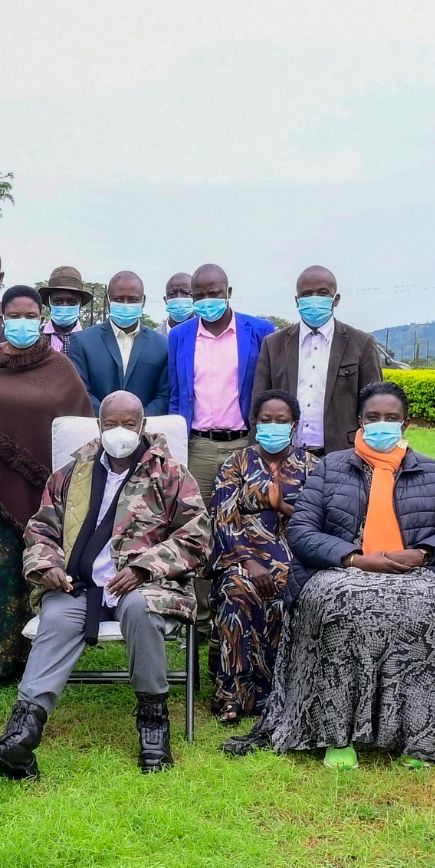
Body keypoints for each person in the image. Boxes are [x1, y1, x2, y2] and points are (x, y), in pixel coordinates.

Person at [225, 382, 435, 767]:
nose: (382, 425)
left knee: (432, 607)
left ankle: (426, 736)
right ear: (359, 421)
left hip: (417, 572)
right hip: (341, 570)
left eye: (391, 418)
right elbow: (302, 531)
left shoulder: (431, 472)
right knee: (345, 608)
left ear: (405, 422)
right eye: (374, 417)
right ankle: (335, 734)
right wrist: (355, 559)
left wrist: (423, 552)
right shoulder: (330, 467)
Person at [0, 391, 209, 780]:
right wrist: (46, 566)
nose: (120, 432)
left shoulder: (170, 474)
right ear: (99, 425)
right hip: (81, 586)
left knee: (137, 609)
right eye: (111, 424)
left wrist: (145, 569)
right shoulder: (70, 473)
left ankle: (153, 724)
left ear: (143, 426)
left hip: (148, 587)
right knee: (58, 615)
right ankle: (21, 739)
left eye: (129, 424)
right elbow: (40, 529)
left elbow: (197, 537)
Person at [0, 285, 94, 677]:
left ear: (41, 320)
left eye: (30, 316)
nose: (22, 322)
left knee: (31, 570)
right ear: (2, 318)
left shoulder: (60, 369)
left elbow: (79, 432)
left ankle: (33, 659)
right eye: (15, 315)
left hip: (40, 496)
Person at [167, 263, 274, 621]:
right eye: (200, 294)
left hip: (244, 444)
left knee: (244, 522)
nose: (207, 300)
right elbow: (175, 392)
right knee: (196, 523)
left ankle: (243, 602)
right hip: (197, 444)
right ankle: (199, 612)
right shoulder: (180, 336)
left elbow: (269, 389)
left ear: (229, 291)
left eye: (215, 293)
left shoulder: (259, 331)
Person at [208, 389, 314, 725]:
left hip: (295, 557)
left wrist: (282, 506)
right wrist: (249, 561)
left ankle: (275, 691)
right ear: (254, 423)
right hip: (242, 556)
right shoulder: (236, 463)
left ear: (294, 425)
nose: (272, 425)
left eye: (280, 421)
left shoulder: (312, 465)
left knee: (288, 592)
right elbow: (222, 516)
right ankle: (232, 694)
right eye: (265, 420)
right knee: (238, 591)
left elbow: (317, 522)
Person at [252, 265, 384, 453]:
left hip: (343, 456)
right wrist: (258, 452)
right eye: (306, 294)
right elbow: (258, 404)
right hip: (285, 456)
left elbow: (375, 406)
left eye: (322, 293)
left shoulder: (361, 343)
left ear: (335, 299)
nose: (314, 299)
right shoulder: (273, 345)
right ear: (297, 301)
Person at [68, 270, 170, 416]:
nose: (126, 304)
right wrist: (110, 420)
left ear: (143, 301)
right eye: (119, 299)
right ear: (107, 300)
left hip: (145, 433)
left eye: (133, 300)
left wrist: (136, 422)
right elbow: (80, 392)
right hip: (96, 432)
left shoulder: (162, 346)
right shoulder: (83, 342)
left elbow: (163, 396)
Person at [37, 265, 90, 353]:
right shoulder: (35, 339)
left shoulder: (91, 340)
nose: (64, 306)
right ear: (48, 302)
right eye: (58, 301)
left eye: (72, 302)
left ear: (80, 304)